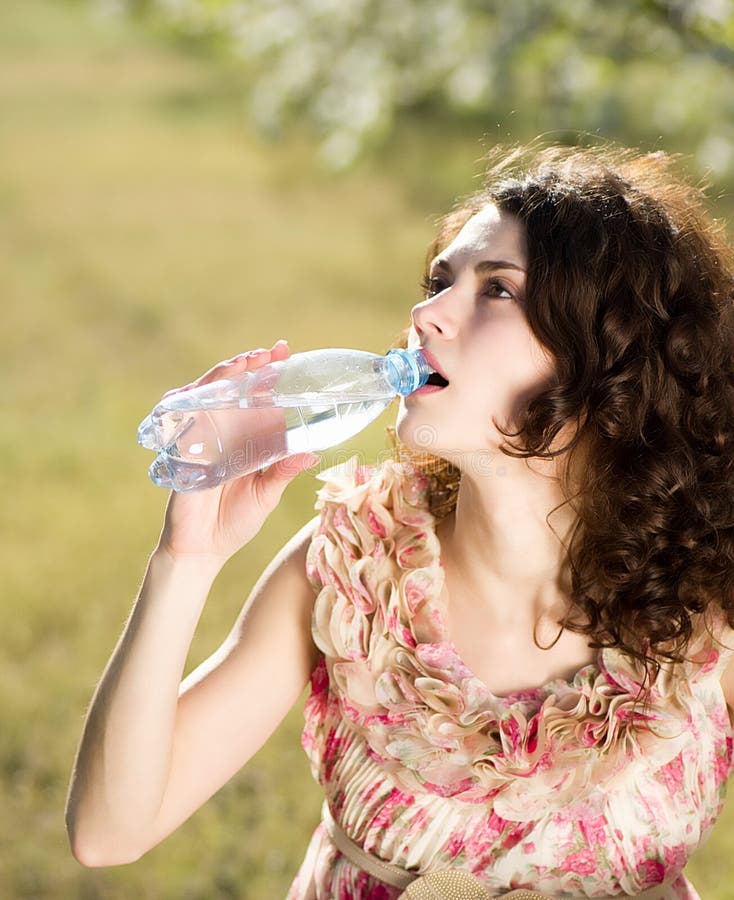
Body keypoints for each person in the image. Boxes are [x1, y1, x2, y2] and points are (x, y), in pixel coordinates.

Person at [65, 142, 734, 899]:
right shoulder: (356, 566)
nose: (425, 314)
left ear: (607, 361)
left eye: (497, 291)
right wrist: (184, 559)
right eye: (439, 281)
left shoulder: (706, 605)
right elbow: (107, 831)